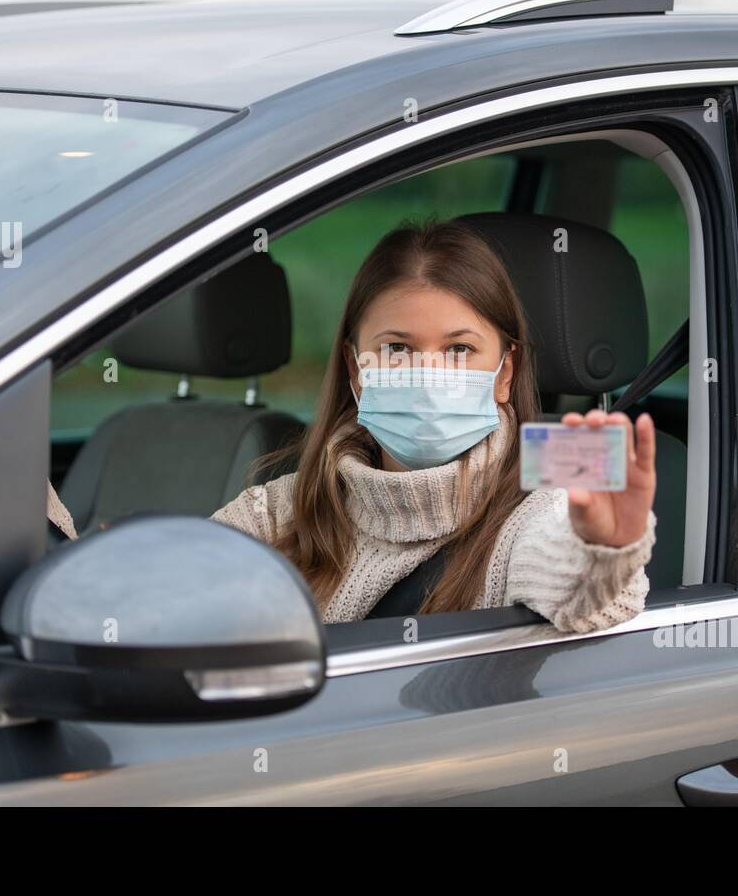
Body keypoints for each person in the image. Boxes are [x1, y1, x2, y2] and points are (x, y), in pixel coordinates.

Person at [207, 218, 657, 632]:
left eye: (459, 350)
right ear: (355, 368)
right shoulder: (281, 510)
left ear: (504, 374)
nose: (428, 376)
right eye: (397, 349)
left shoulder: (543, 500)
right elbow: (170, 590)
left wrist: (604, 552)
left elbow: (577, 590)